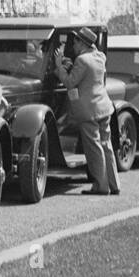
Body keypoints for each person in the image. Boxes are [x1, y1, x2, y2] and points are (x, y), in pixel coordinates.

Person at [53, 26, 119, 196]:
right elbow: (87, 76)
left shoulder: (82, 60)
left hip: (88, 111)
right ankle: (114, 184)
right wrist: (70, 64)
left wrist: (59, 66)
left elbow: (69, 82)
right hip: (104, 107)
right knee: (106, 145)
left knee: (94, 148)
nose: (73, 45)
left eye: (75, 42)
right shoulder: (99, 57)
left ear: (82, 43)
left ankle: (101, 186)